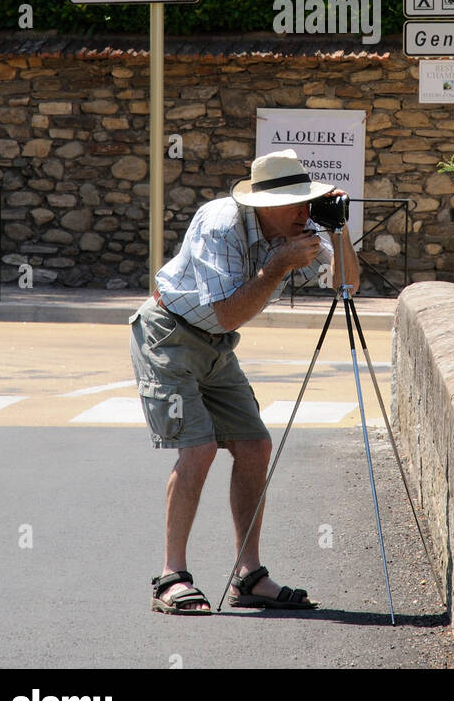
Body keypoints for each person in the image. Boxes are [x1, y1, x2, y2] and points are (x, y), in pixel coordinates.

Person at [129, 148, 360, 615]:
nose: (305, 211)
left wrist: (340, 228)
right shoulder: (220, 224)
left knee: (255, 447)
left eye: (309, 201)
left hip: (216, 344)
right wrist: (277, 267)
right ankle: (171, 576)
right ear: (263, 206)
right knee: (198, 448)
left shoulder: (302, 227)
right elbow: (228, 310)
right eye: (297, 203)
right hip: (169, 334)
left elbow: (345, 286)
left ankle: (249, 576)